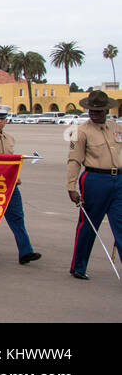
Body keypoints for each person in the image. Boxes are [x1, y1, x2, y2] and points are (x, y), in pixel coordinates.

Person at [66, 90, 122, 280]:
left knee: (120, 226)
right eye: (91, 110)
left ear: (106, 111)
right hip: (95, 180)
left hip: (119, 181)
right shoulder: (79, 132)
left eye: (98, 111)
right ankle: (79, 266)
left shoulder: (117, 128)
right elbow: (74, 160)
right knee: (88, 226)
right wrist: (71, 186)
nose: (94, 114)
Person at [0, 105, 41, 265]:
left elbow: (11, 162)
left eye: (2, 119)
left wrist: (15, 176)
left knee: (17, 218)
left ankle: (26, 252)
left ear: (6, 120)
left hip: (10, 184)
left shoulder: (9, 139)